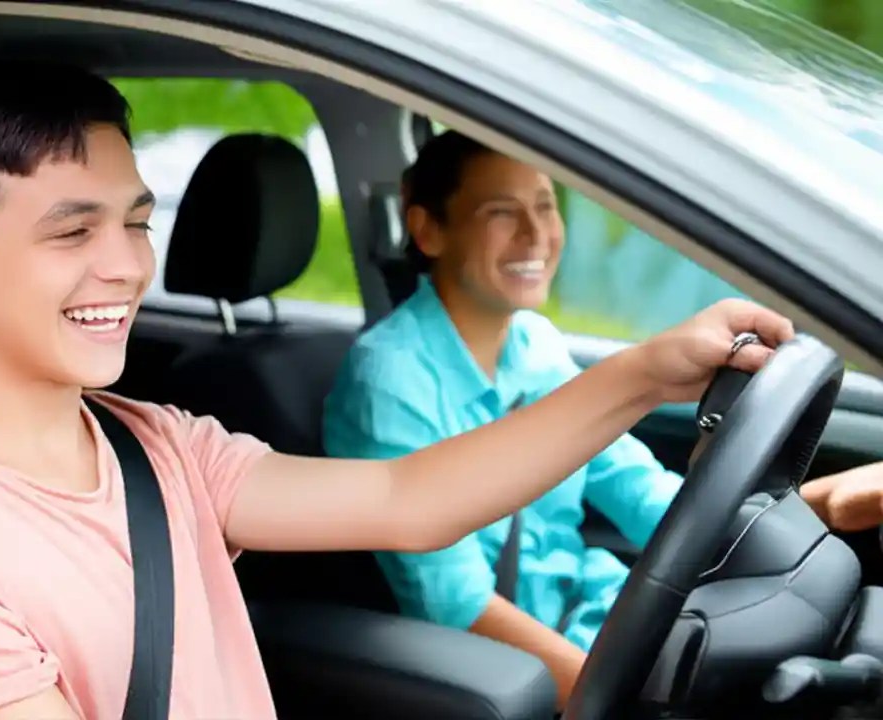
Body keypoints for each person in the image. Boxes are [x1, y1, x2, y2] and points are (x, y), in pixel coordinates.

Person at [0, 69, 797, 720]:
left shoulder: (157, 443)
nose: (124, 267)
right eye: (71, 233)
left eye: (136, 223)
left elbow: (404, 502)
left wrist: (643, 373)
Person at [322, 130, 883, 707]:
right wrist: (608, 695)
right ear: (428, 231)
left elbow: (651, 502)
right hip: (514, 679)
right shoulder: (387, 379)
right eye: (501, 212)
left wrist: (831, 502)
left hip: (602, 620)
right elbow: (455, 603)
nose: (537, 234)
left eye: (545, 205)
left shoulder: (535, 345)